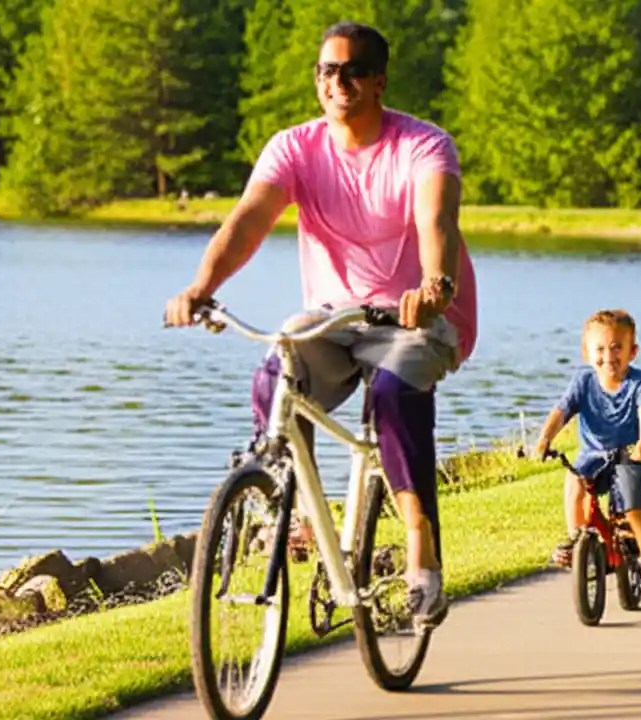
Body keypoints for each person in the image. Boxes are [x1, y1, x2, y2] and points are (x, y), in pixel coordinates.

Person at [163, 21, 476, 628]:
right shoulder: (294, 148)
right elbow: (247, 223)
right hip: (334, 320)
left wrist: (435, 288)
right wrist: (202, 288)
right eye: (327, 71)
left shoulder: (424, 146)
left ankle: (421, 553)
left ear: (378, 81)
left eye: (352, 70)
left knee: (392, 396)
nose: (338, 82)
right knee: (275, 374)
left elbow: (436, 221)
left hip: (414, 315)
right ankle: (299, 512)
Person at [533, 309, 641, 594]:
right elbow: (562, 411)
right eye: (600, 349)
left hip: (631, 454)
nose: (608, 356)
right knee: (574, 480)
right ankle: (576, 538)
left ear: (632, 352)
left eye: (617, 348)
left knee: (632, 501)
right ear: (586, 353)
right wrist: (545, 438)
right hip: (593, 456)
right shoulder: (583, 381)